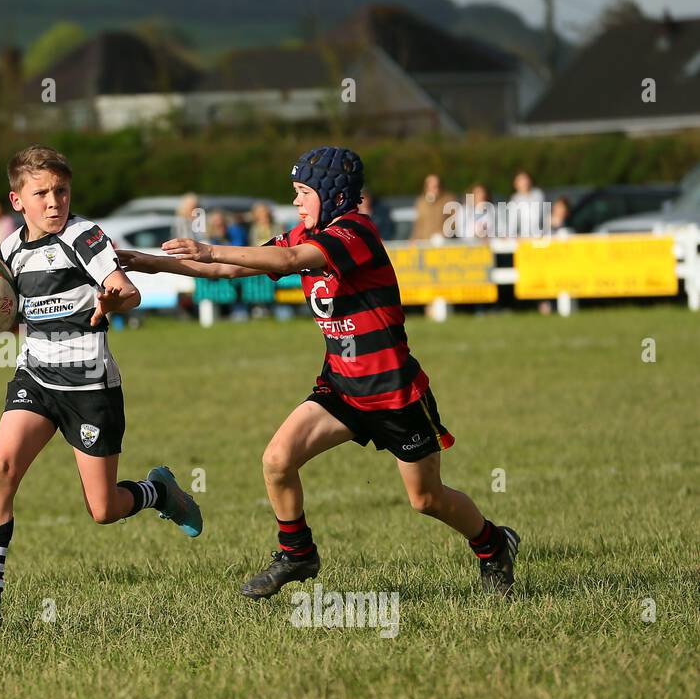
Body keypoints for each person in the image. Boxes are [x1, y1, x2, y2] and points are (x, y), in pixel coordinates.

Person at [119, 146, 521, 600]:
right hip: (341, 389)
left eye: (302, 193)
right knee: (276, 460)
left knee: (426, 500)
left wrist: (208, 247)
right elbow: (232, 266)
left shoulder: (354, 233)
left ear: (331, 195)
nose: (295, 203)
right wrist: (151, 262)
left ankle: (493, 545)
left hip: (394, 394)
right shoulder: (305, 234)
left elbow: (290, 263)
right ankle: (297, 554)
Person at [0, 145, 204, 633]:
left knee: (103, 510)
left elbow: (128, 290)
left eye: (60, 191)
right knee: (1, 469)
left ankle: (158, 492)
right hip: (36, 378)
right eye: (40, 193)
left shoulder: (85, 238)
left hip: (90, 386)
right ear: (17, 199)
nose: (53, 201)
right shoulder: (10, 249)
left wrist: (112, 300)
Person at [411, 173, 454, 241]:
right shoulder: (421, 202)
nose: (433, 189)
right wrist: (413, 238)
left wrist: (444, 233)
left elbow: (455, 220)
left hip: (442, 243)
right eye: (430, 186)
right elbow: (418, 224)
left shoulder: (448, 200)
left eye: (436, 186)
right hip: (424, 242)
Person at [509, 171, 547, 237]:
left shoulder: (538, 194)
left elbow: (546, 215)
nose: (524, 182)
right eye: (521, 180)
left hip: (542, 234)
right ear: (515, 184)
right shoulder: (514, 200)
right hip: (524, 237)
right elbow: (512, 223)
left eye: (525, 179)